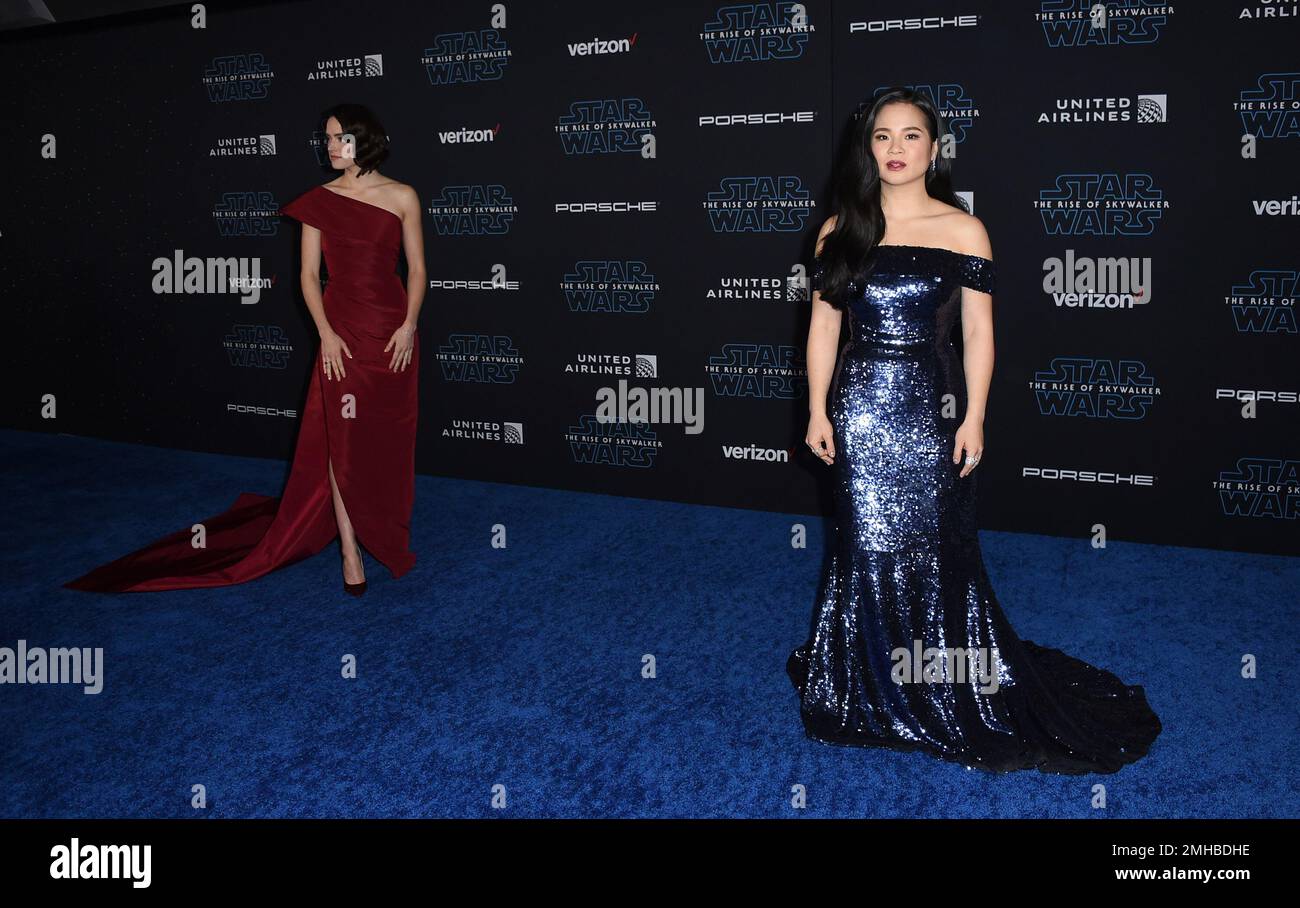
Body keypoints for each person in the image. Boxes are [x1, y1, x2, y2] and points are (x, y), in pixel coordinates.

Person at [786, 88, 1162, 773]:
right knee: (864, 545)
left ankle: (940, 677)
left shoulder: (965, 229)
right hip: (862, 410)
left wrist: (976, 415)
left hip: (931, 407)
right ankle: (869, 679)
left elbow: (980, 332)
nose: (896, 149)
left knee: (940, 548)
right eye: (882, 137)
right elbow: (824, 326)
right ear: (866, 148)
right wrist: (817, 408)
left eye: (911, 136)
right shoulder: (839, 228)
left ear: (935, 147)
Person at [64, 103, 425, 596]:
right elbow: (306, 277)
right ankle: (349, 548)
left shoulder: (403, 195)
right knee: (340, 440)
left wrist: (408, 325)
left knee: (384, 439)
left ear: (363, 140)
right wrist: (325, 333)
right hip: (341, 331)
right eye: (326, 138)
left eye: (337, 137)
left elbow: (418, 269)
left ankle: (381, 524)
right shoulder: (318, 201)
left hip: (391, 331)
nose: (329, 146)